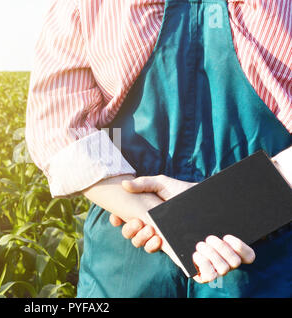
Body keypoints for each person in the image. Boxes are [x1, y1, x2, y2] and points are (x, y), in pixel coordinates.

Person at [25, 0, 292, 297]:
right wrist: (174, 221)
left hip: (264, 257)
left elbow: (60, 125)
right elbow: (60, 130)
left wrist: (188, 218)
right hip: (131, 254)